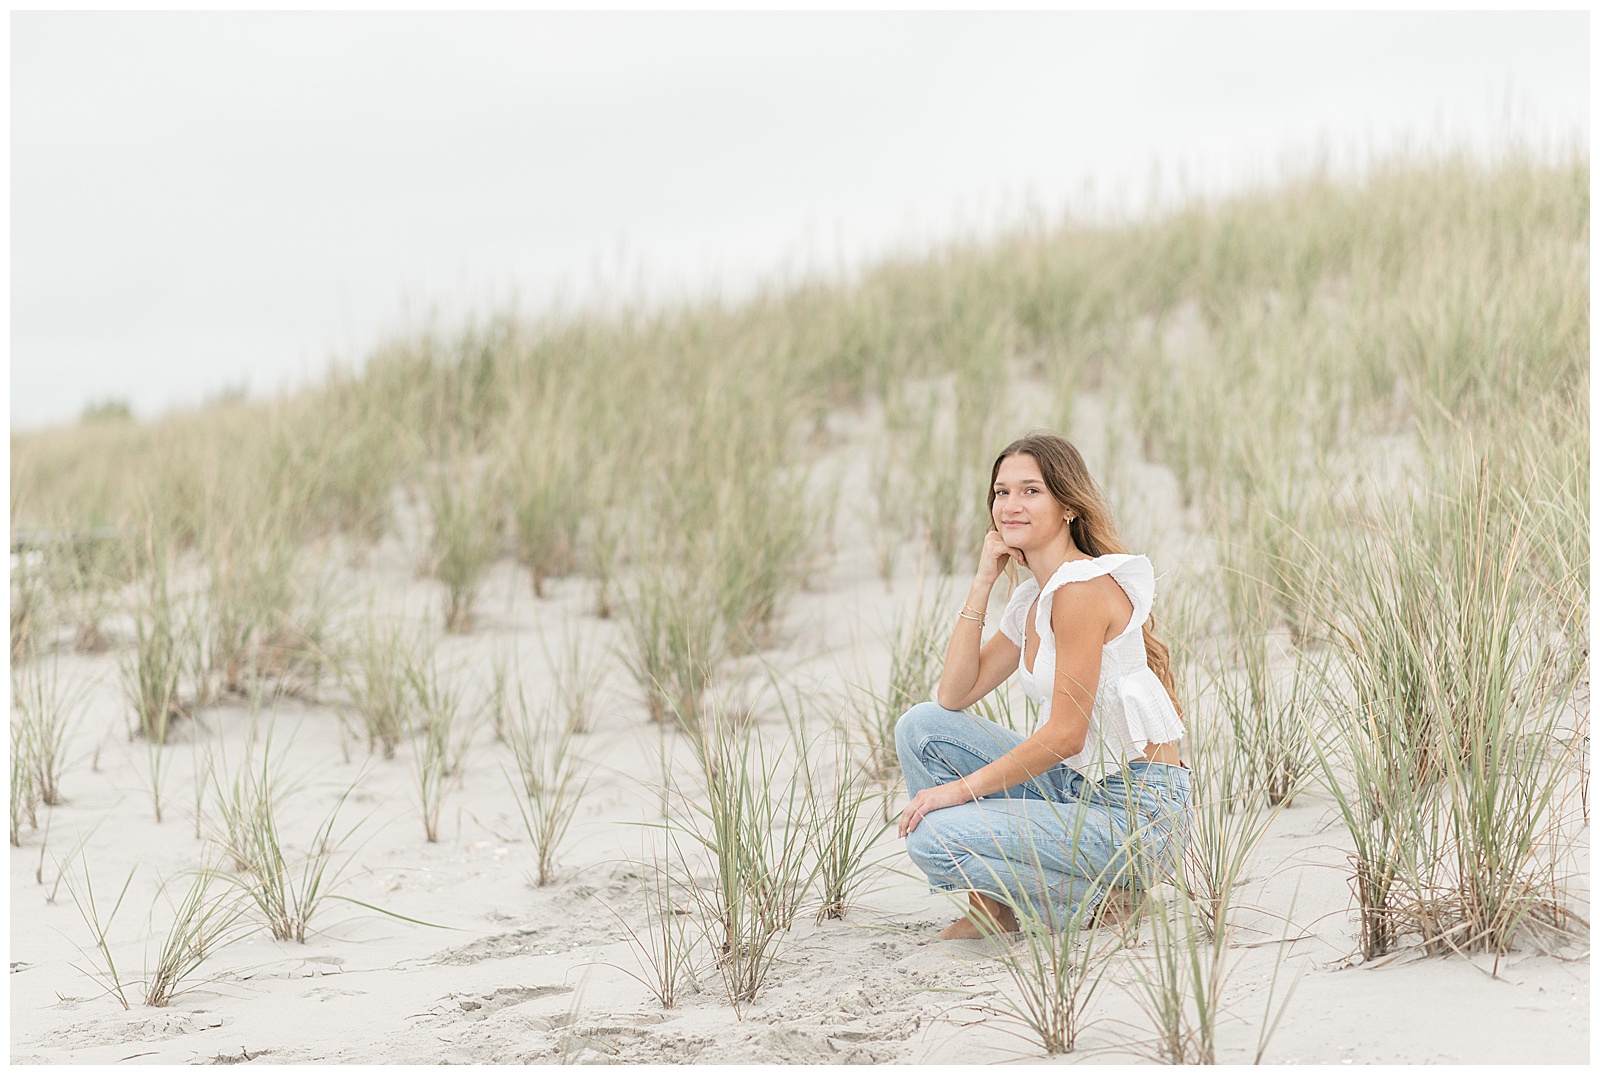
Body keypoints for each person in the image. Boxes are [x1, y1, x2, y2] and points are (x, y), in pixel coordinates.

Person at [895, 431, 1189, 940]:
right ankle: (995, 908)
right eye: (1001, 492)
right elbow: (954, 696)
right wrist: (984, 580)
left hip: (1135, 816)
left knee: (933, 838)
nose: (1011, 505)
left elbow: (1066, 736)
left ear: (1068, 506)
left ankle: (1112, 896)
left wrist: (957, 793)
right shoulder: (1035, 598)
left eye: (1031, 491)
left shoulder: (1081, 591)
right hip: (1080, 790)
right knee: (921, 726)